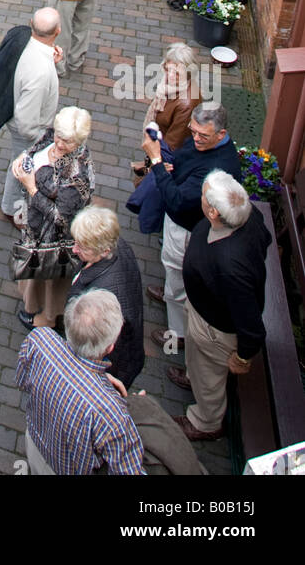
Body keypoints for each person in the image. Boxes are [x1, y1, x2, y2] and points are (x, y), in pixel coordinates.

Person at [171, 173, 271, 442]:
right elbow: (266, 240)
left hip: (214, 329)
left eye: (203, 195)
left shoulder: (231, 268)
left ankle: (206, 422)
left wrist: (243, 357)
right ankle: (194, 376)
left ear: (213, 212)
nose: (199, 197)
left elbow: (250, 323)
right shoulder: (249, 218)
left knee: (210, 376)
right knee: (199, 363)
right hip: (201, 308)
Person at [141, 102, 241, 354]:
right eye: (193, 131)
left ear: (221, 134)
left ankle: (177, 334)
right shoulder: (206, 144)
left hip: (187, 229)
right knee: (173, 273)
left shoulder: (216, 167)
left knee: (178, 273)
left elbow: (178, 200)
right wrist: (173, 169)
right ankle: (168, 295)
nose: (195, 138)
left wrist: (155, 161)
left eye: (202, 135)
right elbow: (187, 160)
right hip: (183, 224)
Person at [15, 289, 144, 475]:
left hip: (35, 442)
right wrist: (140, 408)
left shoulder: (39, 339)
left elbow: (22, 381)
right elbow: (128, 470)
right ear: (110, 347)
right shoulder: (111, 412)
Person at [12, 106, 94, 330]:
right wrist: (24, 160)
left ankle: (47, 317)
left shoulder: (78, 175)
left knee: (49, 280)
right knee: (34, 275)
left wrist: (32, 189)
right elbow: (36, 150)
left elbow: (61, 218)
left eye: (67, 141)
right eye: (59, 136)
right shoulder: (51, 134)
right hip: (35, 229)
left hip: (53, 242)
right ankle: (33, 304)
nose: (59, 144)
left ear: (80, 141)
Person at [0, 8, 61, 225]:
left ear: (31, 23)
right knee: (22, 164)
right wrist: (37, 138)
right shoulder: (40, 73)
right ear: (58, 31)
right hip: (28, 127)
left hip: (16, 112)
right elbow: (26, 120)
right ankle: (13, 209)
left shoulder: (23, 39)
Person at [69, 208, 144, 388]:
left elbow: (99, 343)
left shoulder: (101, 297)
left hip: (110, 368)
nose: (74, 249)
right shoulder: (118, 246)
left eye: (82, 246)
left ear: (104, 250)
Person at [136, 42, 201, 165]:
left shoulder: (186, 106)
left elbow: (173, 146)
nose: (170, 75)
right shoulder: (170, 86)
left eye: (176, 73)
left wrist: (153, 161)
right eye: (168, 69)